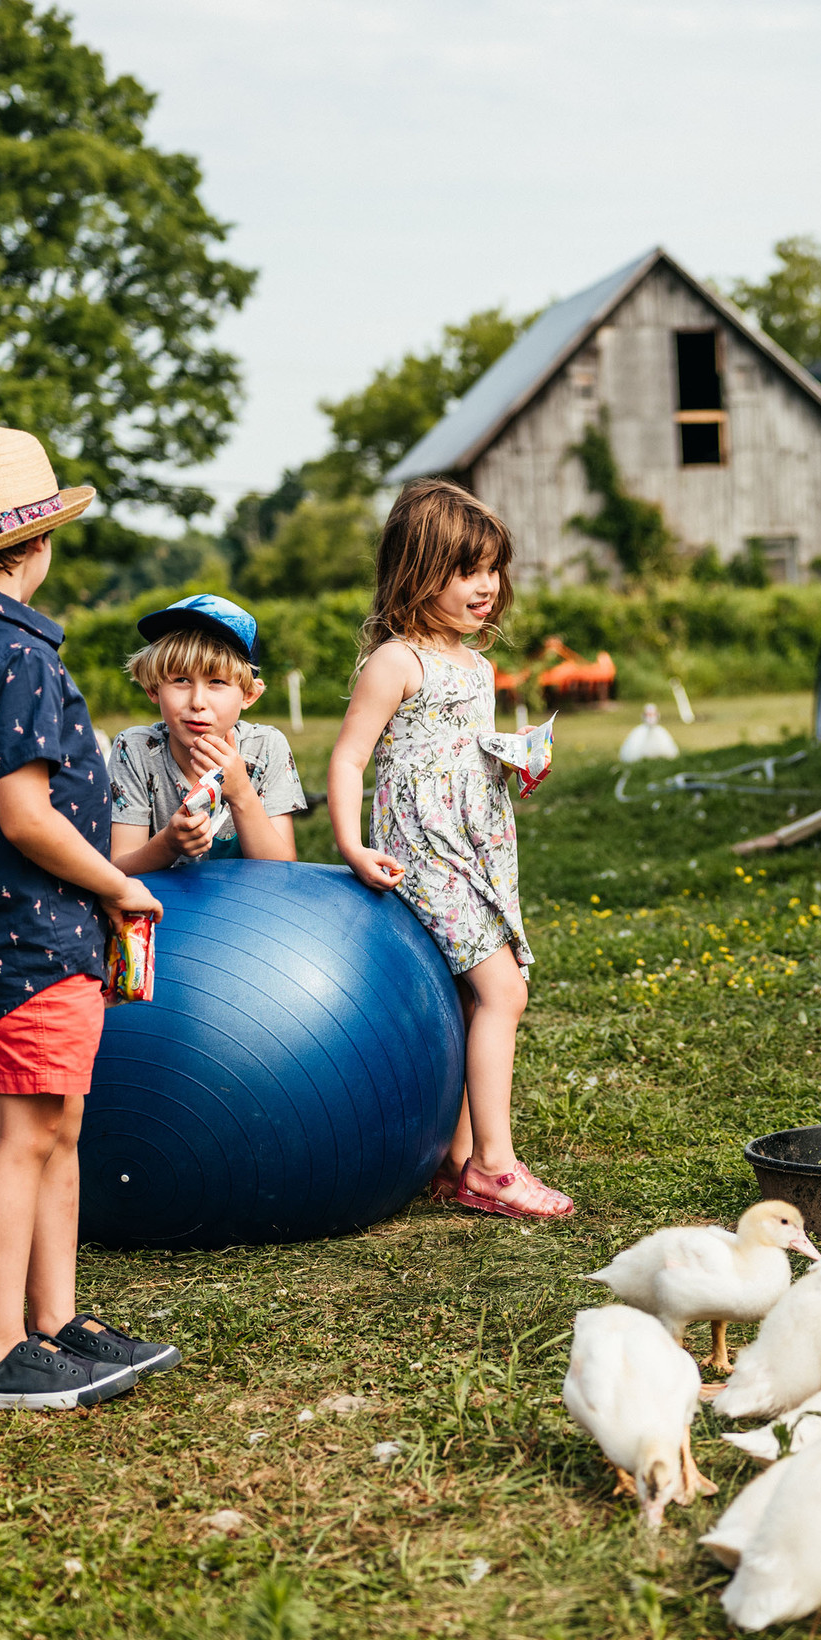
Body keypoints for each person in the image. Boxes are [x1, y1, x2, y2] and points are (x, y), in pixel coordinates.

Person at [0, 419, 181, 1410]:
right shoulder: (13, 656)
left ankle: (55, 1324)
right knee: (25, 1131)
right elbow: (25, 814)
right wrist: (119, 883)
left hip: (25, 927)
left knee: (56, 1122)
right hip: (27, 926)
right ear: (35, 543)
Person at [327, 478, 573, 1221]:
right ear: (415, 572)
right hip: (426, 852)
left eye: (493, 569)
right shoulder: (398, 662)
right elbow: (349, 758)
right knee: (504, 991)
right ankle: (495, 1168)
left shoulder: (477, 666)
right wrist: (351, 845)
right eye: (466, 571)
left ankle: (456, 1161)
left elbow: (457, 754)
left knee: (472, 995)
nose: (486, 587)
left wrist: (509, 761)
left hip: (478, 846)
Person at [108, 593, 307, 873]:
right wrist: (167, 844)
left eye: (216, 681)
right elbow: (119, 869)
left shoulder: (266, 748)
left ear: (249, 694)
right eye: (181, 680)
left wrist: (240, 794)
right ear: (153, 689)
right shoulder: (136, 750)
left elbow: (282, 872)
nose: (197, 701)